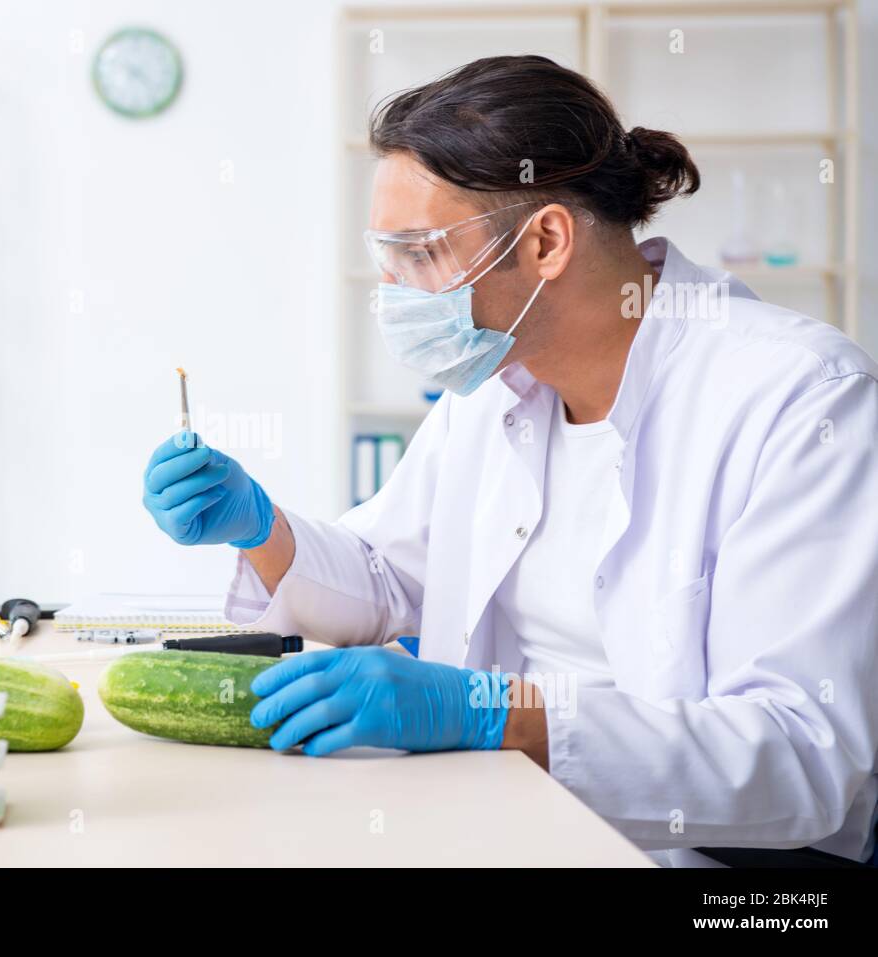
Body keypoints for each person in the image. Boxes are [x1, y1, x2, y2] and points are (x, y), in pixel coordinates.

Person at [141, 55, 878, 865]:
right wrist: (259, 526)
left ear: (547, 241)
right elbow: (388, 578)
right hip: (502, 819)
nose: (391, 288)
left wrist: (498, 713)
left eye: (418, 252)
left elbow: (806, 757)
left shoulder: (801, 399)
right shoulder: (492, 389)